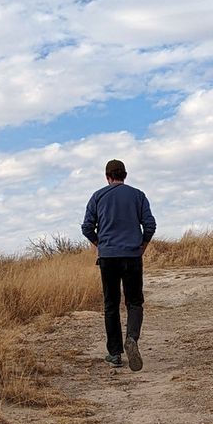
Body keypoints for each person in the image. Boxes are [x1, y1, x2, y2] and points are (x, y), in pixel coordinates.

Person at [81, 159, 156, 371]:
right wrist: (142, 245)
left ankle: (114, 354)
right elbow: (150, 224)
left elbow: (87, 227)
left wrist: (100, 244)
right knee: (134, 302)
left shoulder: (98, 196)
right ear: (125, 175)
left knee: (111, 304)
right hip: (132, 256)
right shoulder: (138, 195)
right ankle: (132, 338)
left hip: (108, 257)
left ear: (107, 177)